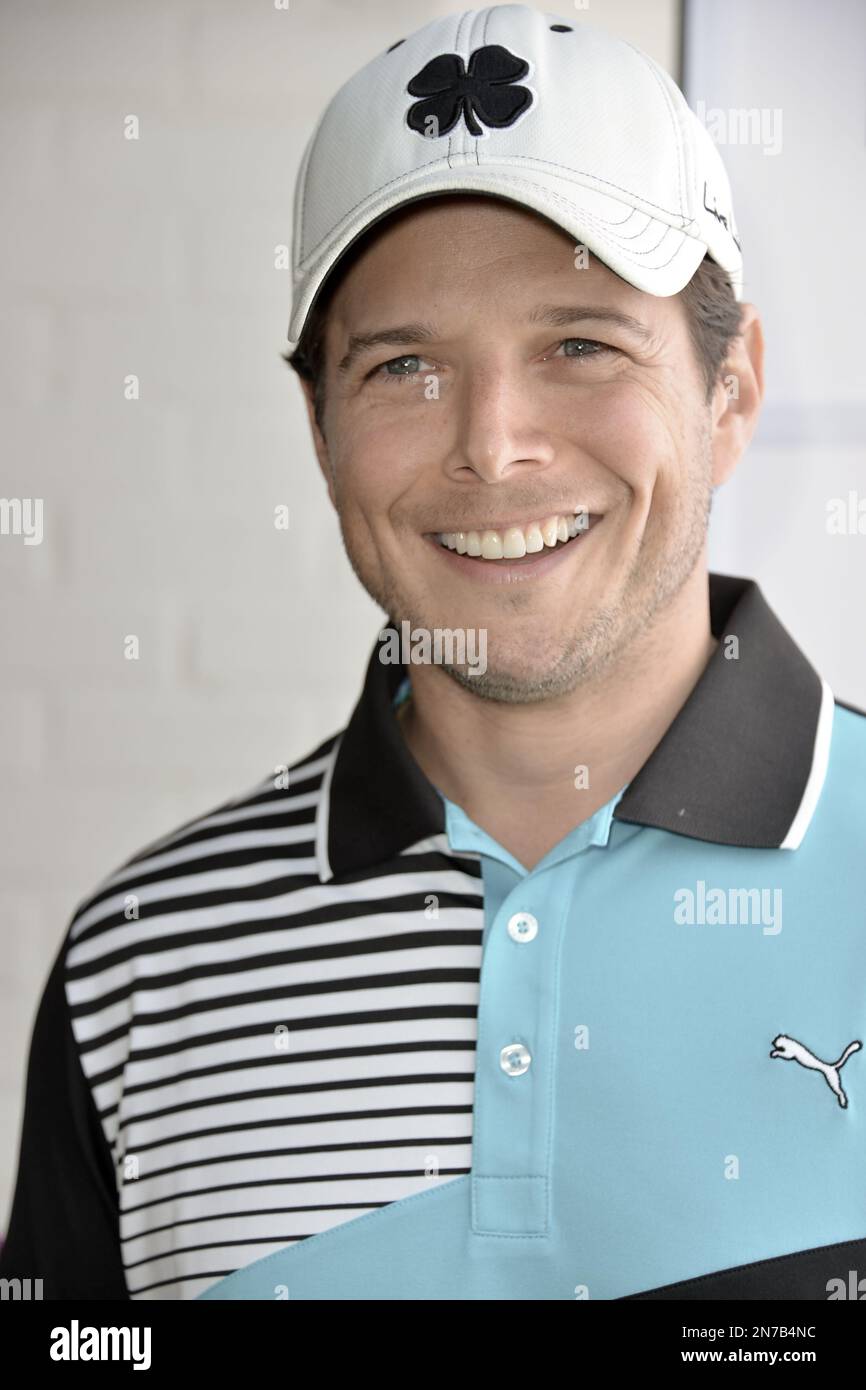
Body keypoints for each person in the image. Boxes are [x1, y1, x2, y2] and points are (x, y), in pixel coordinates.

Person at [2, 5, 864, 1302]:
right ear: (317, 422)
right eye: (405, 365)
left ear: (728, 389)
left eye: (579, 342)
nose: (492, 444)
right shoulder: (142, 960)